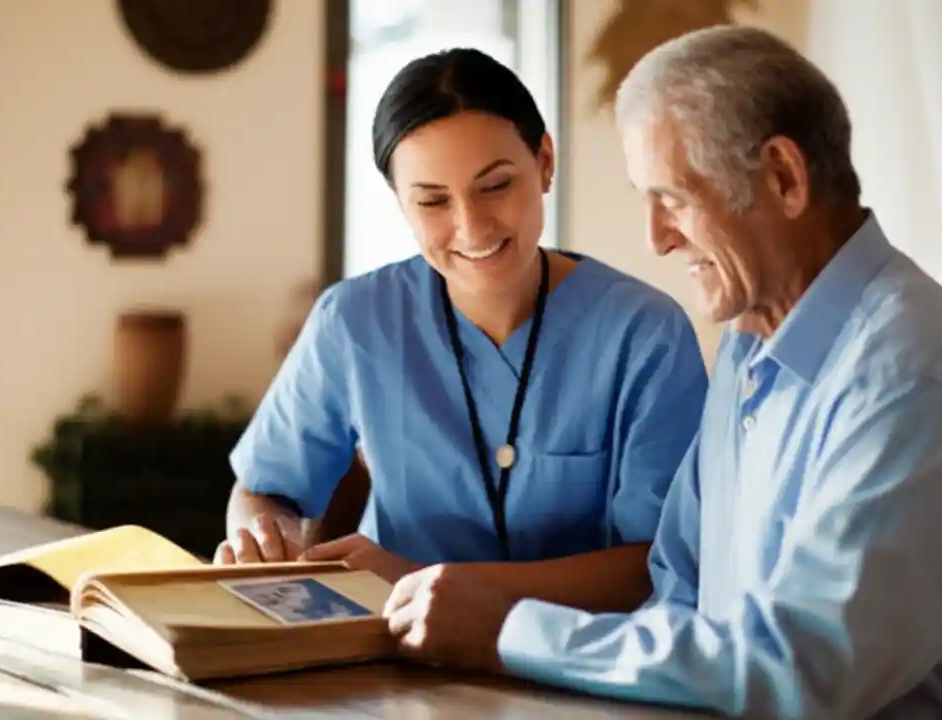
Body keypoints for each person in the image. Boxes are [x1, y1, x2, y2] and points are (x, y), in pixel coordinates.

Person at [382, 26, 942, 719]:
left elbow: (808, 667)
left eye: (672, 197)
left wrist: (507, 627)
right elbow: (679, 589)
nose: (655, 237)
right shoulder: (748, 343)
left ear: (784, 178)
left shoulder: (912, 361)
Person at [216, 48, 709, 615]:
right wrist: (262, 534)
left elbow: (654, 568)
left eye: (495, 186)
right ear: (400, 202)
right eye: (431, 200)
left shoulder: (646, 335)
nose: (471, 226)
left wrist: (424, 580)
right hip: (390, 666)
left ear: (544, 162)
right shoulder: (353, 321)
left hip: (582, 670)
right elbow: (267, 487)